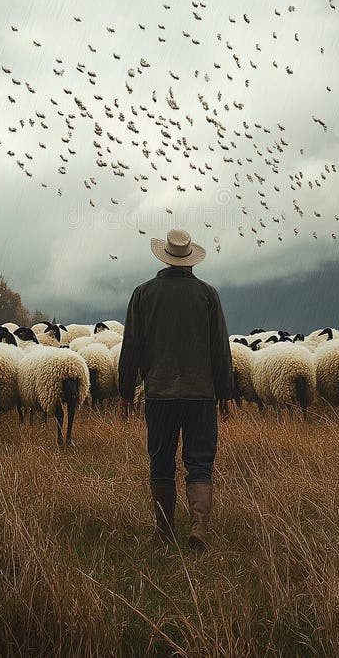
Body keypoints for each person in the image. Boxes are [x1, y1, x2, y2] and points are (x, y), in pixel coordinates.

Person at [118, 228, 234, 551]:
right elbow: (219, 348)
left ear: (165, 259)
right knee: (200, 461)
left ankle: (164, 532)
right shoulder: (208, 295)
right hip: (200, 395)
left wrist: (126, 391)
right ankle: (198, 526)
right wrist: (226, 394)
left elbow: (131, 347)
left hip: (160, 394)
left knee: (161, 460)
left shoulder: (143, 294)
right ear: (190, 263)